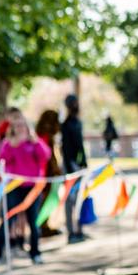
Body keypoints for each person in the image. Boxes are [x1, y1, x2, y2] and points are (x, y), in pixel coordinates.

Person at [0, 108, 48, 266]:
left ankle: (35, 253)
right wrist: (12, 145)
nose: (21, 128)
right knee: (8, 219)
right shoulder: (9, 144)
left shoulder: (34, 142)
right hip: (14, 187)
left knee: (33, 223)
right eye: (18, 126)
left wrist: (36, 142)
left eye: (23, 125)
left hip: (32, 188)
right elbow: (2, 159)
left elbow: (45, 156)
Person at [60, 94, 88, 243]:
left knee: (79, 197)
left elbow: (80, 147)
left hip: (79, 165)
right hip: (71, 166)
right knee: (70, 200)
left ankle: (79, 229)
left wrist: (83, 162)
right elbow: (65, 148)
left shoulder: (77, 123)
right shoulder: (66, 125)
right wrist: (71, 164)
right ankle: (71, 232)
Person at [35, 109, 63, 238]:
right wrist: (55, 171)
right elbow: (47, 158)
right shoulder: (43, 137)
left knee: (48, 201)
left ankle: (44, 226)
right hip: (44, 176)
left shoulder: (45, 136)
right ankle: (42, 227)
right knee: (44, 201)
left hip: (47, 176)